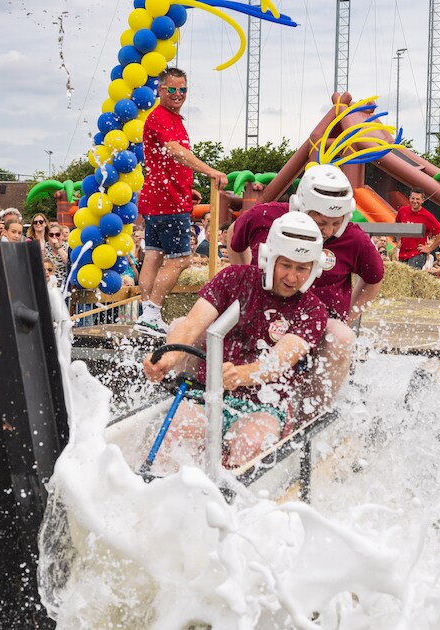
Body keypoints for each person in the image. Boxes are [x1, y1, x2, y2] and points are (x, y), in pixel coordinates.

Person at [142, 213, 328, 468]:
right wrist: (168, 357)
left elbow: (280, 361)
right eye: (286, 265)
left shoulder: (312, 309)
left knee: (251, 443)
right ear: (269, 258)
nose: (293, 278)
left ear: (314, 268)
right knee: (175, 435)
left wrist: (240, 375)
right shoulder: (234, 278)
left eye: (302, 268)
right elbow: (192, 323)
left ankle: (229, 494)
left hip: (264, 405)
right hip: (207, 394)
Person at [227, 164, 384, 411]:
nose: (329, 231)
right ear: (300, 207)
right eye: (321, 222)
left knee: (341, 336)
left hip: (318, 320)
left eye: (336, 222)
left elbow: (375, 278)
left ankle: (313, 410)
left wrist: (347, 316)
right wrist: (245, 284)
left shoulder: (354, 239)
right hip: (262, 311)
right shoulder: (264, 216)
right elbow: (235, 236)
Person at [135, 67, 228, 337]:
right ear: (160, 90)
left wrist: (188, 188)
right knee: (180, 261)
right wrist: (209, 171)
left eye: (182, 90)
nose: (178, 95)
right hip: (167, 202)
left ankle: (145, 315)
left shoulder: (174, 118)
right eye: (172, 89)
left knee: (153, 256)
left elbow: (171, 160)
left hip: (162, 198)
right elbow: (175, 152)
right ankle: (152, 312)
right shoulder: (161, 117)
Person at [395, 188, 440, 269]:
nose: (415, 201)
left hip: (417, 253)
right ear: (409, 198)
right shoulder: (402, 211)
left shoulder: (427, 216)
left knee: (411, 278)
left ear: (423, 200)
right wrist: (399, 240)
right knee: (401, 279)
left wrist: (429, 249)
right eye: (413, 198)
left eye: (417, 199)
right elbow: (398, 225)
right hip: (403, 252)